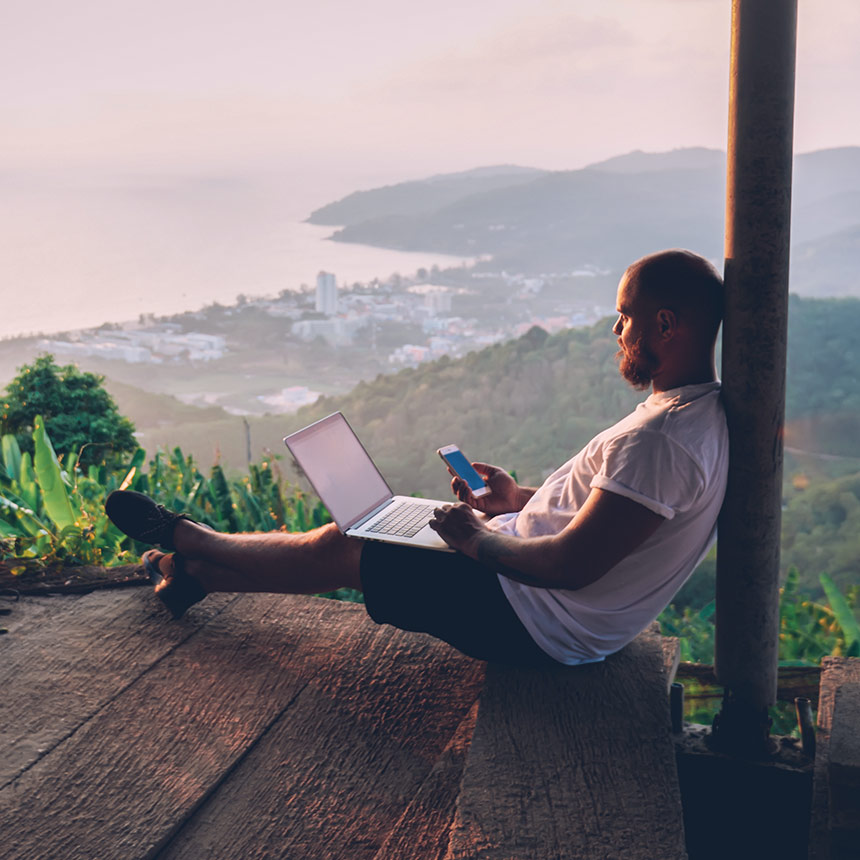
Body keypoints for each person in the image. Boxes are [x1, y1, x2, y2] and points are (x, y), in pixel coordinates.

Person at [106, 248, 728, 667]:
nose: (615, 330)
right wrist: (516, 502)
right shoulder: (688, 414)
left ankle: (189, 539)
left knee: (351, 544)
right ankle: (194, 576)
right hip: (533, 588)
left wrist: (477, 542)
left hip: (534, 618)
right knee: (371, 535)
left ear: (666, 324)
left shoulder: (662, 440)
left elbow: (571, 564)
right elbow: (606, 522)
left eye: (625, 316)